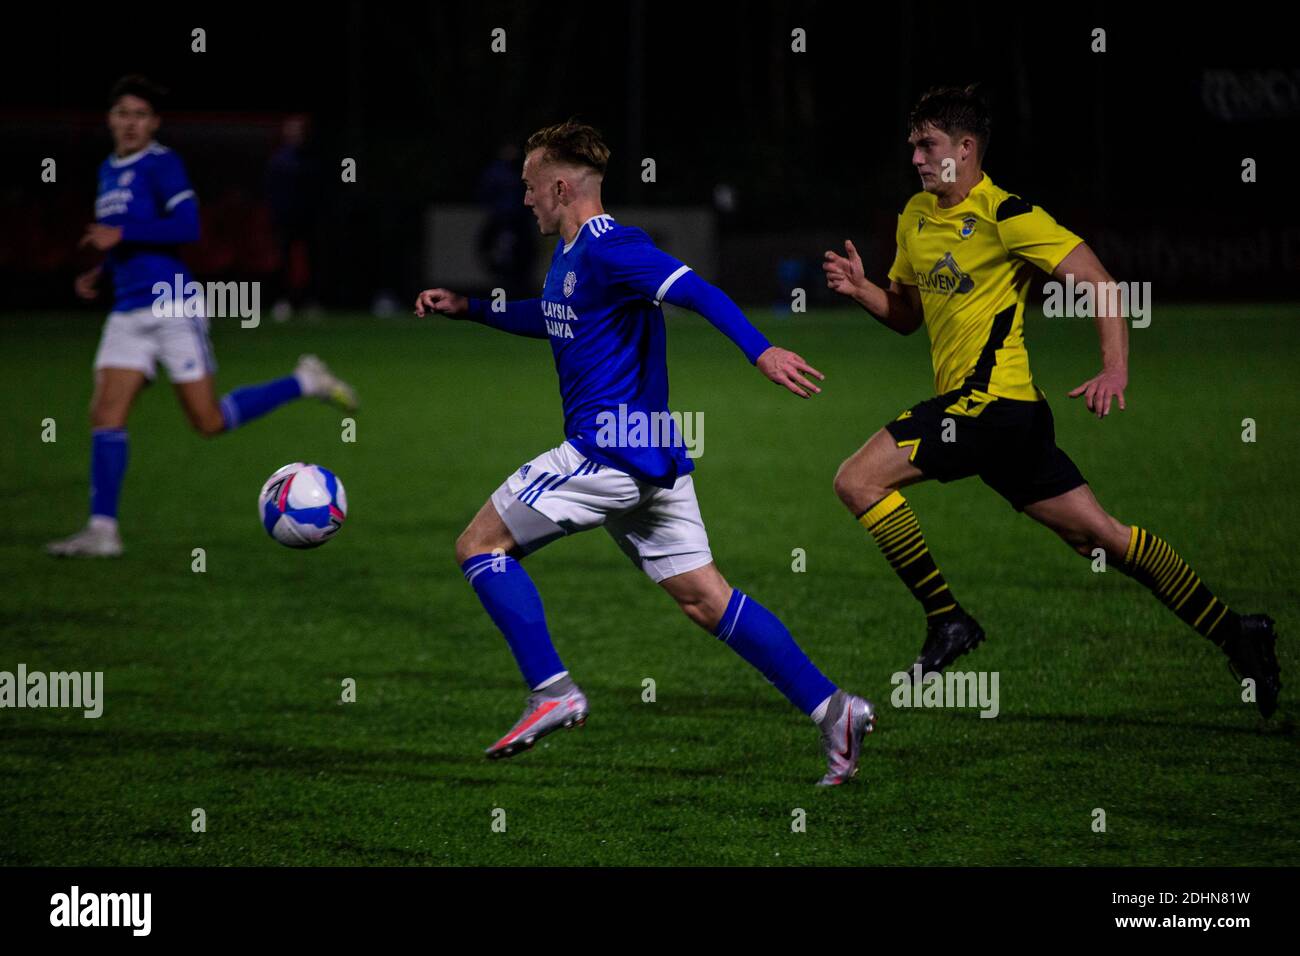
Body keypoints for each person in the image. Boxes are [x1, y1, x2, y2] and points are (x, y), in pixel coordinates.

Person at [416, 120, 875, 784]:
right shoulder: (573, 256)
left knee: (478, 546)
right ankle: (835, 709)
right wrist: (470, 308)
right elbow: (552, 320)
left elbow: (699, 290)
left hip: (608, 453)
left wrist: (762, 350)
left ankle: (552, 691)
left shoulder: (611, 246)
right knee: (706, 599)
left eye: (530, 188)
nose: (524, 201)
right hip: (651, 458)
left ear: (562, 185)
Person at [823, 85, 1280, 717]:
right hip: (999, 417)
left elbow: (1101, 285)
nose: (917, 158)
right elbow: (906, 316)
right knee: (1100, 538)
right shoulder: (915, 217)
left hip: (993, 405)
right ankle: (1239, 633)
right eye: (913, 146)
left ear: (966, 147)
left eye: (927, 145)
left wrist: (1113, 369)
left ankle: (948, 618)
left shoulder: (1007, 214)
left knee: (856, 480)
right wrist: (863, 290)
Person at [47, 75, 357, 558]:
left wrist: (120, 235)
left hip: (171, 305)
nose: (130, 123)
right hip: (127, 309)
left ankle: (302, 381)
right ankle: (102, 531)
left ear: (154, 123)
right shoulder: (108, 168)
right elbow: (124, 240)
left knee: (208, 421)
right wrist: (101, 271)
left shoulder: (162, 164)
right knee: (104, 415)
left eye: (140, 115)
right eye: (122, 114)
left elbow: (187, 226)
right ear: (110, 119)